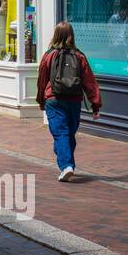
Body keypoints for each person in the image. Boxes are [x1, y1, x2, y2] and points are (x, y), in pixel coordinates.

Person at [36, 21, 102, 182]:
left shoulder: (48, 55)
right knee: (68, 133)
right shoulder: (79, 56)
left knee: (61, 133)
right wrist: (95, 104)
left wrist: (41, 100)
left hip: (54, 99)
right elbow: (89, 82)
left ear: (55, 35)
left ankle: (66, 165)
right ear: (72, 35)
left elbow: (42, 80)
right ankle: (66, 161)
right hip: (74, 99)